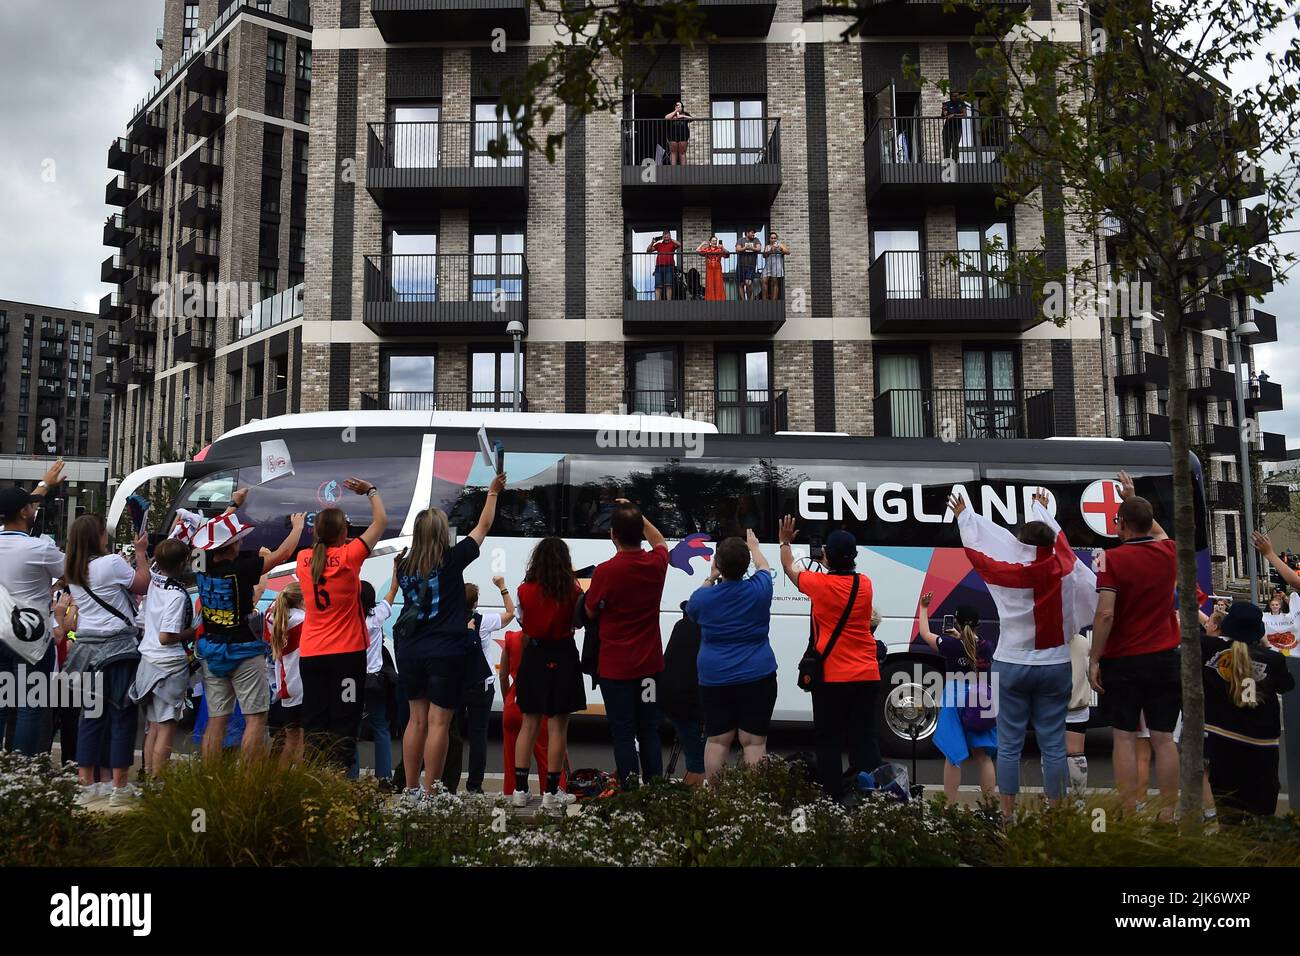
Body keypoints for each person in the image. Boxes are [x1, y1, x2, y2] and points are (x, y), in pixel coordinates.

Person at [952, 487, 1094, 818]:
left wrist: (965, 518)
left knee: (1010, 745)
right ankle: (1055, 815)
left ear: (1020, 545)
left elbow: (975, 551)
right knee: (1055, 746)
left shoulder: (1004, 574)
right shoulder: (1067, 573)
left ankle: (1007, 816)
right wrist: (1043, 511)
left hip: (1010, 665)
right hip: (1055, 665)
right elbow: (1062, 548)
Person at [396, 472, 506, 797]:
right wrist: (493, 493)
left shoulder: (403, 566)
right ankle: (432, 793)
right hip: (445, 650)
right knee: (439, 723)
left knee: (415, 721)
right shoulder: (452, 559)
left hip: (410, 650)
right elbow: (482, 527)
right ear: (443, 533)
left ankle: (410, 789)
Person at [1088, 471, 1181, 818]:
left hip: (1123, 661)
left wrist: (1095, 658)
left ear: (1121, 525)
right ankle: (1169, 812)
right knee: (1163, 738)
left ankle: (1130, 810)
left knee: (1125, 737)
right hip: (1164, 659)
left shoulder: (1109, 559)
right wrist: (1131, 498)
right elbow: (1156, 532)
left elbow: (1106, 614)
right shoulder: (1168, 551)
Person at [193, 490, 305, 761]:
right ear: (230, 546)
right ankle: (248, 779)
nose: (241, 544)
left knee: (217, 720)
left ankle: (210, 777)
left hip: (211, 650)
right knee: (255, 718)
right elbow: (284, 553)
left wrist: (233, 505)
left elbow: (212, 535)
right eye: (237, 540)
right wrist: (298, 526)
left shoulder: (200, 563)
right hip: (242, 651)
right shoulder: (241, 569)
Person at [778, 518, 881, 801]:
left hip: (833, 677)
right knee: (864, 738)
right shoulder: (865, 584)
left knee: (829, 740)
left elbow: (789, 567)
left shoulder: (819, 585)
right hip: (867, 674)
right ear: (855, 556)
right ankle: (871, 796)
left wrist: (785, 541)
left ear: (827, 555)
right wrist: (831, 563)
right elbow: (843, 577)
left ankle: (834, 799)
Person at [296, 477, 387, 770]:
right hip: (346, 656)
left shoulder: (303, 559)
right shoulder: (349, 557)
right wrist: (370, 492)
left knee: (314, 722)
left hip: (311, 655)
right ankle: (338, 781)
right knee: (345, 721)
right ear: (344, 532)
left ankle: (312, 782)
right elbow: (381, 522)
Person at [63, 514, 150, 807]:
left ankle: (86, 784)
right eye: (103, 532)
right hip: (117, 649)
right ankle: (119, 785)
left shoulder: (73, 569)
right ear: (97, 536)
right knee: (122, 715)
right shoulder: (110, 563)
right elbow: (143, 585)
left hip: (85, 650)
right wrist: (140, 553)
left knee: (90, 716)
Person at [584, 499, 670, 788]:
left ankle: (631, 792)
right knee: (649, 728)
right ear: (639, 533)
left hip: (616, 670)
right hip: (649, 669)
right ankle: (655, 789)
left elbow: (590, 611)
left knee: (623, 732)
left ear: (613, 535)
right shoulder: (656, 564)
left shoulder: (606, 571)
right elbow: (661, 542)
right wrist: (641, 515)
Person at [686, 531, 777, 779]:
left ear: (718, 564)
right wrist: (755, 548)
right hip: (758, 675)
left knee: (717, 740)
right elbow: (764, 566)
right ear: (745, 564)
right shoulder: (761, 589)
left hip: (716, 678)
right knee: (754, 742)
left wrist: (710, 576)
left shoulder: (703, 598)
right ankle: (751, 800)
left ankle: (716, 801)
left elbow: (691, 611)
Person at [1201, 602, 1295, 822]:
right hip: (1261, 743)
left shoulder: (1207, 647)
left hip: (1222, 738)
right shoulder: (1273, 660)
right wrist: (1265, 645)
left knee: (1228, 809)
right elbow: (1286, 685)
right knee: (1262, 811)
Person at [512, 538, 586, 808]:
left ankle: (520, 790)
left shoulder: (523, 590)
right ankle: (551, 793)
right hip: (563, 654)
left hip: (533, 655)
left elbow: (522, 621)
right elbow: (578, 621)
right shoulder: (573, 590)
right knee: (557, 728)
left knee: (528, 724)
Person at [0, 460, 67, 756]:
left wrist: (44, 484)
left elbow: (26, 507)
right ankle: (22, 769)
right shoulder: (38, 549)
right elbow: (72, 571)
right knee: (30, 704)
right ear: (24, 513)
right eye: (30, 506)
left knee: (2, 703)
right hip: (29, 638)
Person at [914, 595, 996, 803]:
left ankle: (949, 808)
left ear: (956, 622)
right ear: (978, 624)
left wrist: (924, 608)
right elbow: (971, 646)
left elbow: (924, 633)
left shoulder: (949, 644)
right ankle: (990, 808)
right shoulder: (987, 646)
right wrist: (961, 636)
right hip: (981, 700)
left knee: (953, 757)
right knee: (983, 756)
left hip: (954, 699)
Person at [129, 538, 196, 777]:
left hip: (147, 662)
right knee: (167, 726)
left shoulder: (153, 587)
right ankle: (159, 781)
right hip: (169, 665)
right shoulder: (176, 595)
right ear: (182, 563)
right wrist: (194, 630)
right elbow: (166, 637)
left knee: (153, 726)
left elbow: (142, 622)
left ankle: (148, 776)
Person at [446, 577, 510, 795]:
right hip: (482, 685)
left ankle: (448, 785)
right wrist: (502, 587)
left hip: (455, 684)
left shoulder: (449, 621)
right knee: (478, 736)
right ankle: (475, 786)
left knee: (450, 735)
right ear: (475, 603)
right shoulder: (485, 620)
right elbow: (511, 613)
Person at [352, 576, 398, 783]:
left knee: (350, 728)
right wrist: (396, 573)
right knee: (381, 726)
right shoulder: (377, 616)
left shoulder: (347, 620)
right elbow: (391, 594)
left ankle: (351, 776)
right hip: (376, 680)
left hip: (352, 681)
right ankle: (384, 777)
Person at [659, 602, 706, 786]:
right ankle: (694, 801)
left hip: (669, 698)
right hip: (690, 701)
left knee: (693, 749)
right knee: (698, 761)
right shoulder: (708, 631)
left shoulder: (681, 626)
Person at [266, 581, 306, 767]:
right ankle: (300, 783)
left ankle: (279, 782)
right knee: (301, 741)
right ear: (301, 600)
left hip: (285, 684)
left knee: (291, 738)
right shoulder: (302, 620)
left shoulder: (273, 618)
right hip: (302, 684)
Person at [1065, 632, 1091, 794]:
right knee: (1076, 753)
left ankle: (1052, 798)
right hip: (1078, 706)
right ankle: (1079, 801)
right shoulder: (1083, 642)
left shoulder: (1045, 641)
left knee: (1050, 752)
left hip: (1050, 706)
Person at [648, 231, 680, 301]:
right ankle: (657, 304)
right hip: (659, 267)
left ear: (670, 236)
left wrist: (671, 239)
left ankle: (668, 303)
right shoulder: (659, 244)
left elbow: (679, 244)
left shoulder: (672, 244)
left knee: (668, 286)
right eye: (664, 236)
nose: (666, 237)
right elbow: (648, 251)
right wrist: (652, 242)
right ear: (662, 237)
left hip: (669, 267)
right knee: (657, 287)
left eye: (667, 236)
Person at [697, 235, 729, 301]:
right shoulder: (707, 249)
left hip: (718, 269)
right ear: (710, 242)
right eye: (713, 241)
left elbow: (727, 254)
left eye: (715, 241)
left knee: (718, 284)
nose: (714, 242)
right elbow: (697, 251)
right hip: (709, 269)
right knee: (710, 284)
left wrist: (723, 248)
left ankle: (720, 299)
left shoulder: (719, 249)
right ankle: (710, 299)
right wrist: (702, 244)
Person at [941, 92, 967, 162]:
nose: (955, 97)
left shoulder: (962, 104)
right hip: (947, 129)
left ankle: (955, 161)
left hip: (957, 129)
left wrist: (954, 115)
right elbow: (944, 116)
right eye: (954, 96)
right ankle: (947, 162)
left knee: (955, 146)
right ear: (951, 97)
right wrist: (944, 110)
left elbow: (964, 115)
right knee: (947, 147)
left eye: (957, 96)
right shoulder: (946, 104)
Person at [735, 230, 761, 301]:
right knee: (741, 284)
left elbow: (759, 249)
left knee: (748, 283)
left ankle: (749, 300)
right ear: (747, 233)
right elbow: (737, 249)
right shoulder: (741, 240)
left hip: (751, 265)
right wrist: (745, 248)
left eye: (754, 233)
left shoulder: (756, 240)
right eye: (752, 233)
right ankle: (744, 301)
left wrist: (752, 248)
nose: (753, 234)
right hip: (741, 265)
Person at [664, 101, 692, 165]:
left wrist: (683, 116)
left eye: (680, 106)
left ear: (682, 107)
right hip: (672, 135)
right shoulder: (672, 114)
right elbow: (666, 117)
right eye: (677, 105)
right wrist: (675, 112)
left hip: (683, 135)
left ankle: (683, 171)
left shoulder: (685, 114)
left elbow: (692, 118)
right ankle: (673, 170)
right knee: (673, 152)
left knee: (682, 152)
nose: (678, 107)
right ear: (675, 107)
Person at [763, 231, 788, 300]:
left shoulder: (780, 245)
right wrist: (771, 250)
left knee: (775, 283)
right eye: (772, 238)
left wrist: (780, 249)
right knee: (763, 280)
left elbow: (788, 252)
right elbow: (764, 256)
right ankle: (765, 299)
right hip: (767, 266)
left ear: (776, 238)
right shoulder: (767, 246)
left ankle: (774, 300)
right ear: (769, 239)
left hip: (777, 266)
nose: (773, 239)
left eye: (774, 238)